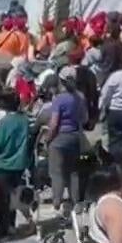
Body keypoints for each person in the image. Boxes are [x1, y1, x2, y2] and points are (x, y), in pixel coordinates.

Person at [41, 67, 89, 220]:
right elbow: (84, 119)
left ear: (60, 81)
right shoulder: (80, 97)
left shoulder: (59, 100)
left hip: (60, 138)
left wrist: (47, 139)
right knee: (74, 172)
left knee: (57, 173)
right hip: (75, 137)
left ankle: (57, 203)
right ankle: (76, 203)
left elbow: (54, 124)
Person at [0, 90, 32, 237]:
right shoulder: (24, 121)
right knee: (13, 197)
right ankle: (11, 225)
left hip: (2, 165)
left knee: (2, 200)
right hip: (19, 165)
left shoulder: (4, 123)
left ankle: (3, 229)